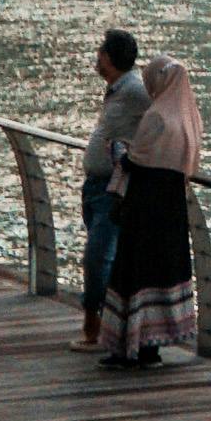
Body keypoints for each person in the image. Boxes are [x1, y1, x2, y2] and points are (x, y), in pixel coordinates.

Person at [105, 56, 202, 371]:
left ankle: (127, 345)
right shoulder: (190, 118)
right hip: (172, 208)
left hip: (144, 206)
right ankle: (151, 347)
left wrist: (120, 149)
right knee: (161, 273)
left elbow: (136, 159)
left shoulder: (157, 116)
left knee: (133, 272)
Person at [77, 25, 144, 352]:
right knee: (103, 256)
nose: (97, 56)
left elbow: (163, 116)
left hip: (111, 189)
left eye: (101, 51)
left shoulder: (134, 90)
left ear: (110, 56)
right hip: (96, 187)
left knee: (98, 256)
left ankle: (96, 328)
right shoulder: (118, 90)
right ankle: (107, 326)